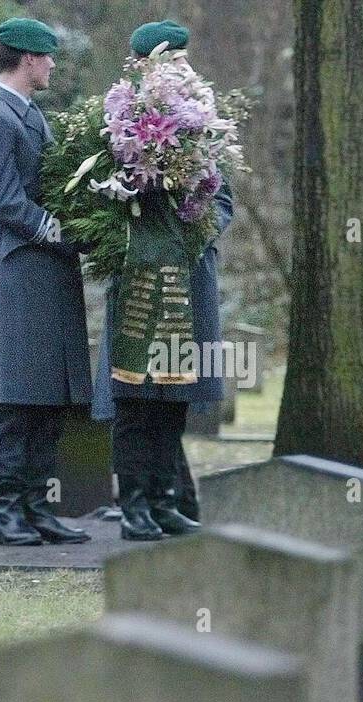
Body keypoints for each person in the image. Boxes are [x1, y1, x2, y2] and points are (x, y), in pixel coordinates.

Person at [92, 19, 230, 540]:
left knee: (175, 392)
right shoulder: (118, 120)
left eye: (184, 59)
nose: (183, 67)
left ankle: (164, 499)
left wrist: (199, 224)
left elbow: (224, 198)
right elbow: (99, 195)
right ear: (149, 63)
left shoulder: (202, 125)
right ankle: (133, 506)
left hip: (189, 276)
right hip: (140, 279)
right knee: (135, 399)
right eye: (173, 59)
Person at [0, 18, 92, 546]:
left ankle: (38, 505)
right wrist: (62, 233)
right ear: (28, 59)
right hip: (19, 264)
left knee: (47, 393)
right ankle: (10, 510)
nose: (54, 65)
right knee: (14, 394)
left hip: (47, 266)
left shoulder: (32, 115)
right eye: (48, 57)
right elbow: (1, 198)